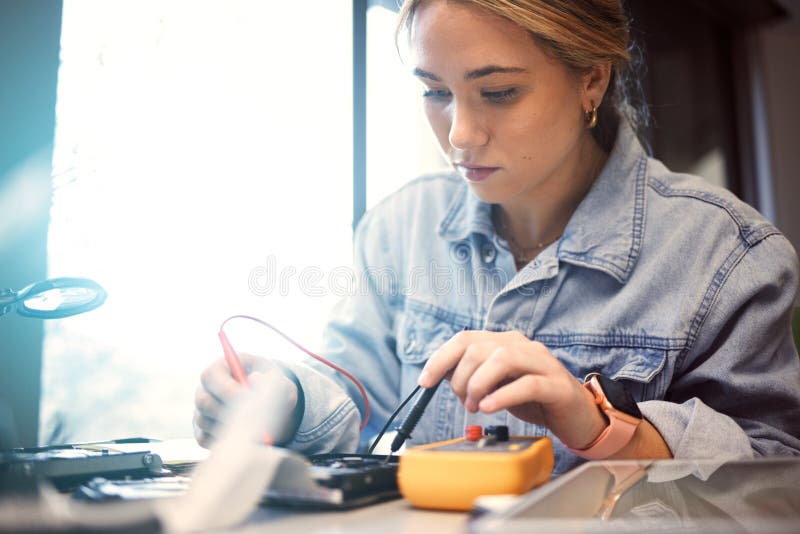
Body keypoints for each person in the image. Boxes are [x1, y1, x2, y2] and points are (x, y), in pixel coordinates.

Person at [194, 0, 800, 475]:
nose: (458, 133)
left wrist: (598, 427)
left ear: (591, 82)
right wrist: (285, 398)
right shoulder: (398, 230)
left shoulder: (728, 254)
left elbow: (774, 479)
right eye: (435, 91)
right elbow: (355, 399)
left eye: (499, 92)